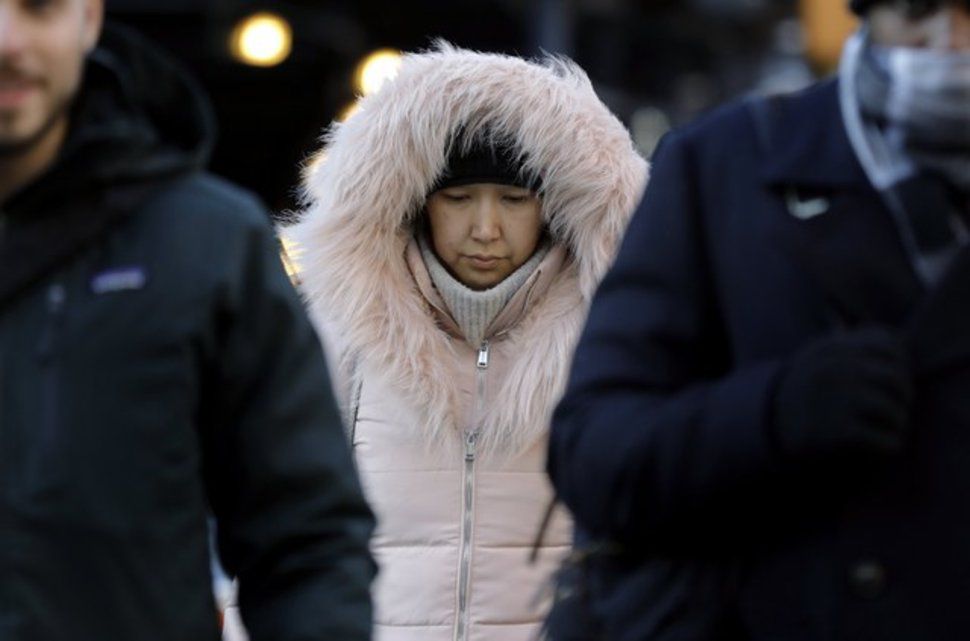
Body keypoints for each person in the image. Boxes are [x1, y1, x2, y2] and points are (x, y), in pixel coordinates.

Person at [547, 1, 969, 640]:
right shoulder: (728, 166)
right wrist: (771, 415)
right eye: (918, 9)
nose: (951, 41)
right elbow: (594, 452)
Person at [0, 1, 375, 640]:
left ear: (89, 18)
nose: (6, 40)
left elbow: (305, 545)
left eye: (38, 6)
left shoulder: (207, 246)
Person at [286, 43, 646, 641]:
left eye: (513, 200)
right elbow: (284, 527)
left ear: (552, 207)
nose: (485, 229)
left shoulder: (611, 342)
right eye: (457, 199)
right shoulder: (343, 331)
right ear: (417, 203)